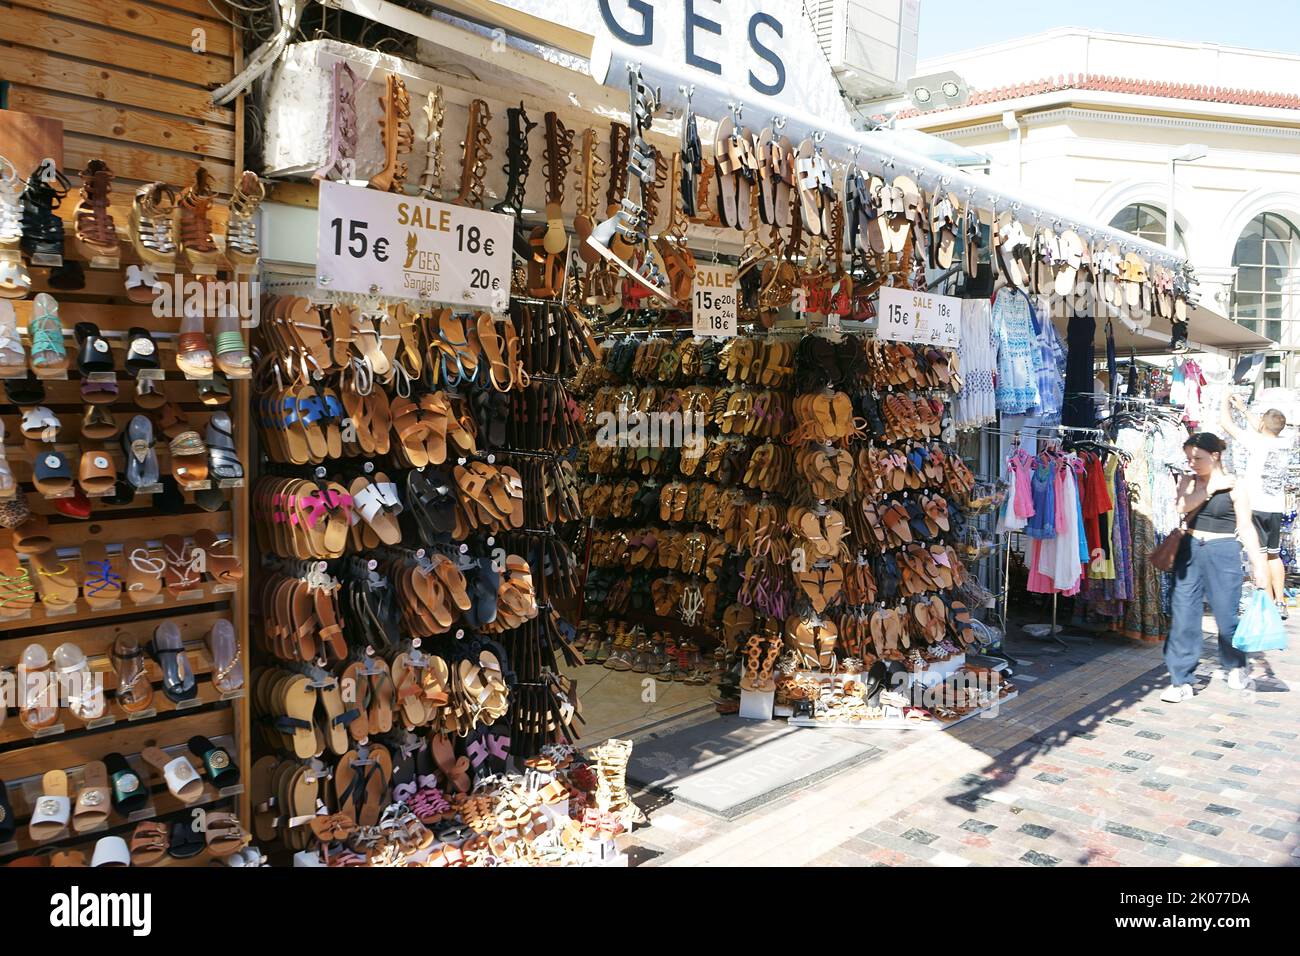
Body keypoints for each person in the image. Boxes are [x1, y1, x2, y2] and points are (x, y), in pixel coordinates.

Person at [1164, 432, 1267, 703]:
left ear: (1216, 455)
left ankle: (1235, 664)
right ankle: (1181, 679)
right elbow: (1182, 506)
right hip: (1190, 550)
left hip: (1223, 552)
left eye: (1198, 458)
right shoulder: (1190, 481)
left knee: (1226, 616)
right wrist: (1208, 488)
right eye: (1189, 458)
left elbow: (1245, 526)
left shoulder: (1236, 486)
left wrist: (1259, 566)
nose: (1192, 463)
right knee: (1184, 615)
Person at [1219, 393, 1290, 617]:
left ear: (1262, 424)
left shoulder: (1256, 441)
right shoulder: (1285, 443)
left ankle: (1267, 605)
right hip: (1276, 507)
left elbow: (1226, 424)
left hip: (1256, 506)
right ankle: (1280, 602)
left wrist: (1224, 400)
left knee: (1258, 556)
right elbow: (1264, 428)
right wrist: (1244, 409)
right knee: (1273, 555)